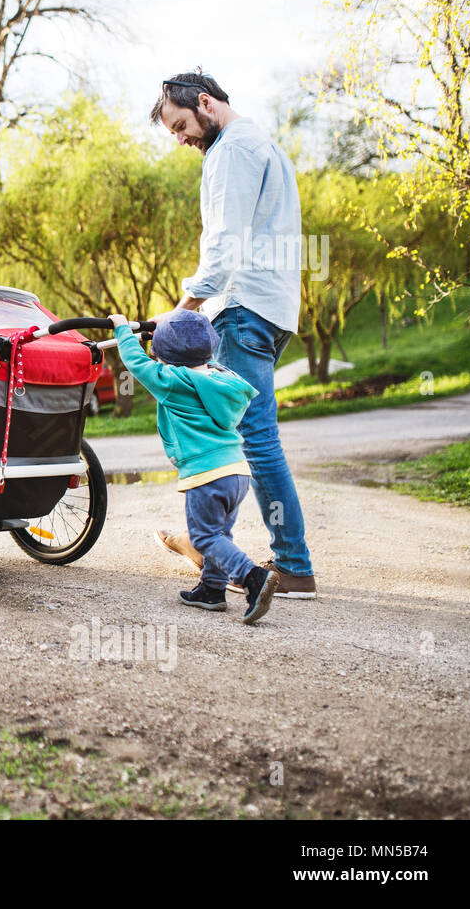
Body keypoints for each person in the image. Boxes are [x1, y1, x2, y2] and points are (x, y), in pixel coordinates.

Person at [147, 69, 317, 599]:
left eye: (181, 126)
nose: (182, 139)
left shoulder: (230, 151)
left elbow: (223, 244)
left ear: (205, 103)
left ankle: (291, 565)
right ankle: (265, 556)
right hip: (272, 307)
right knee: (254, 436)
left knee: (254, 439)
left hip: (242, 308)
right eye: (174, 133)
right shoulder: (262, 142)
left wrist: (184, 308)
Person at [111, 310, 277, 624]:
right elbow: (187, 345)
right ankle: (211, 590)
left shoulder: (173, 382)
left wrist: (123, 330)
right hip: (237, 472)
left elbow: (137, 363)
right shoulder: (220, 376)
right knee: (220, 535)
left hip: (207, 476)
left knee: (203, 538)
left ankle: (252, 577)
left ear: (166, 356)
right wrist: (168, 329)